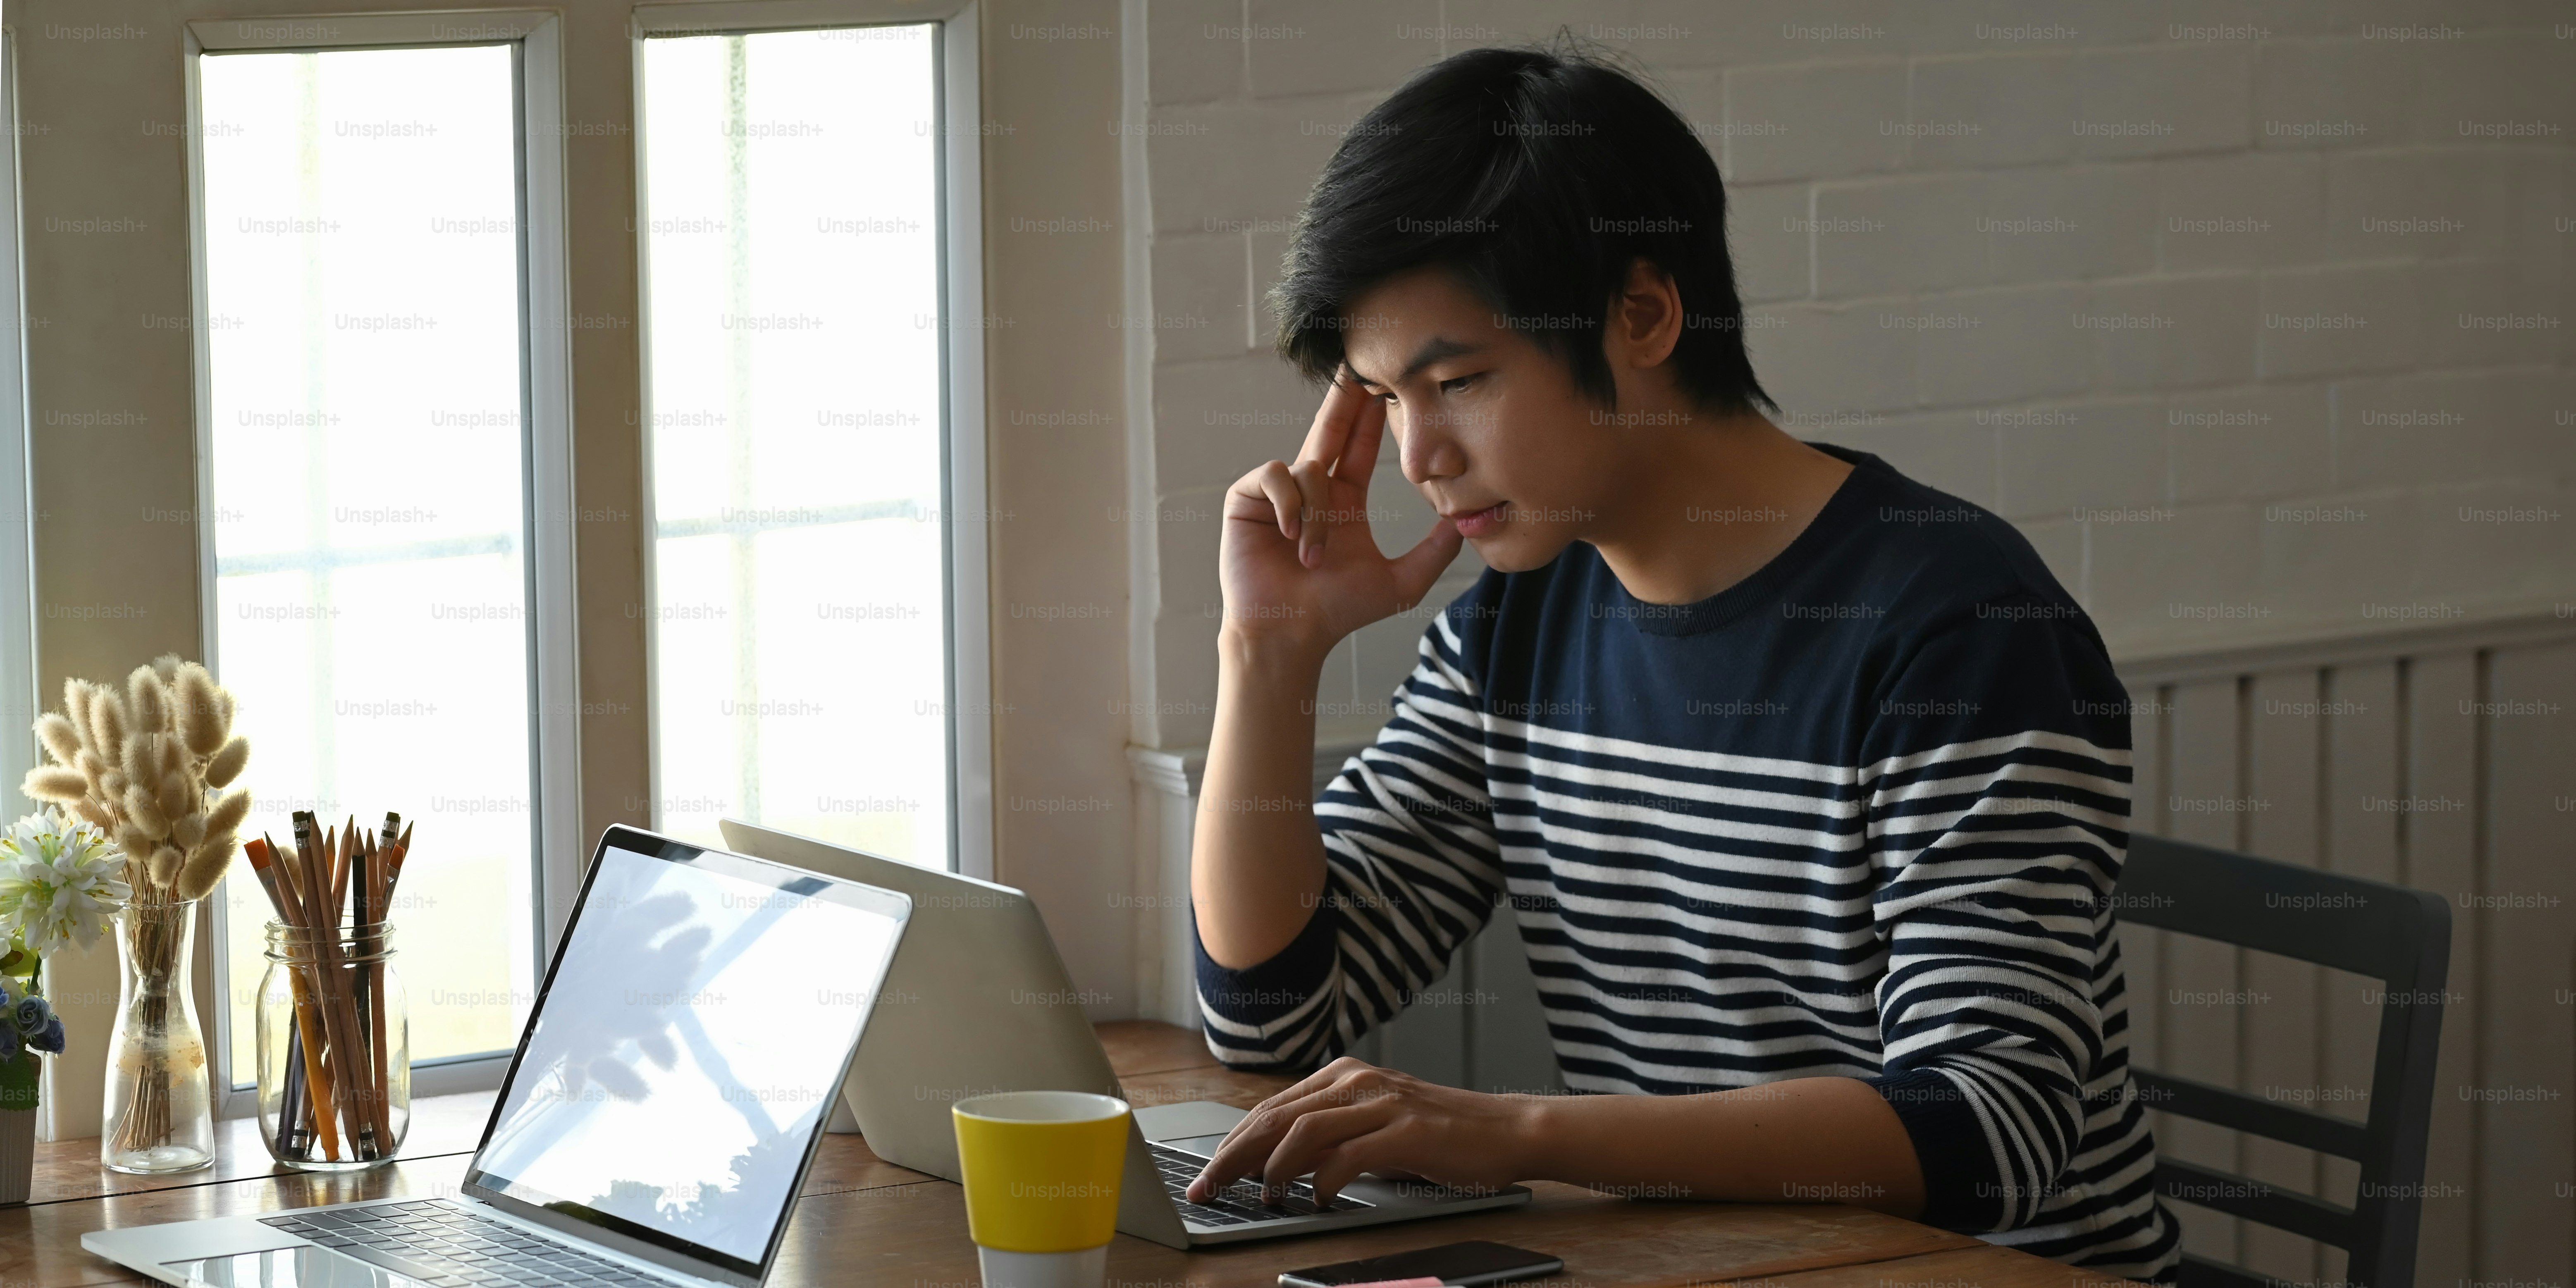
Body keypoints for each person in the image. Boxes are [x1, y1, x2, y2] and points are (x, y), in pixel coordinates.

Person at [1182, 41, 2180, 1284]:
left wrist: (1519, 1136)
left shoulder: (1961, 628)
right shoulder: (1518, 620)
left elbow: (1989, 1128)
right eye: (1385, 399)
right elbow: (1273, 1018)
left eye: (1461, 381)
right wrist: (1266, 654)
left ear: (1646, 314)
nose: (1417, 457)